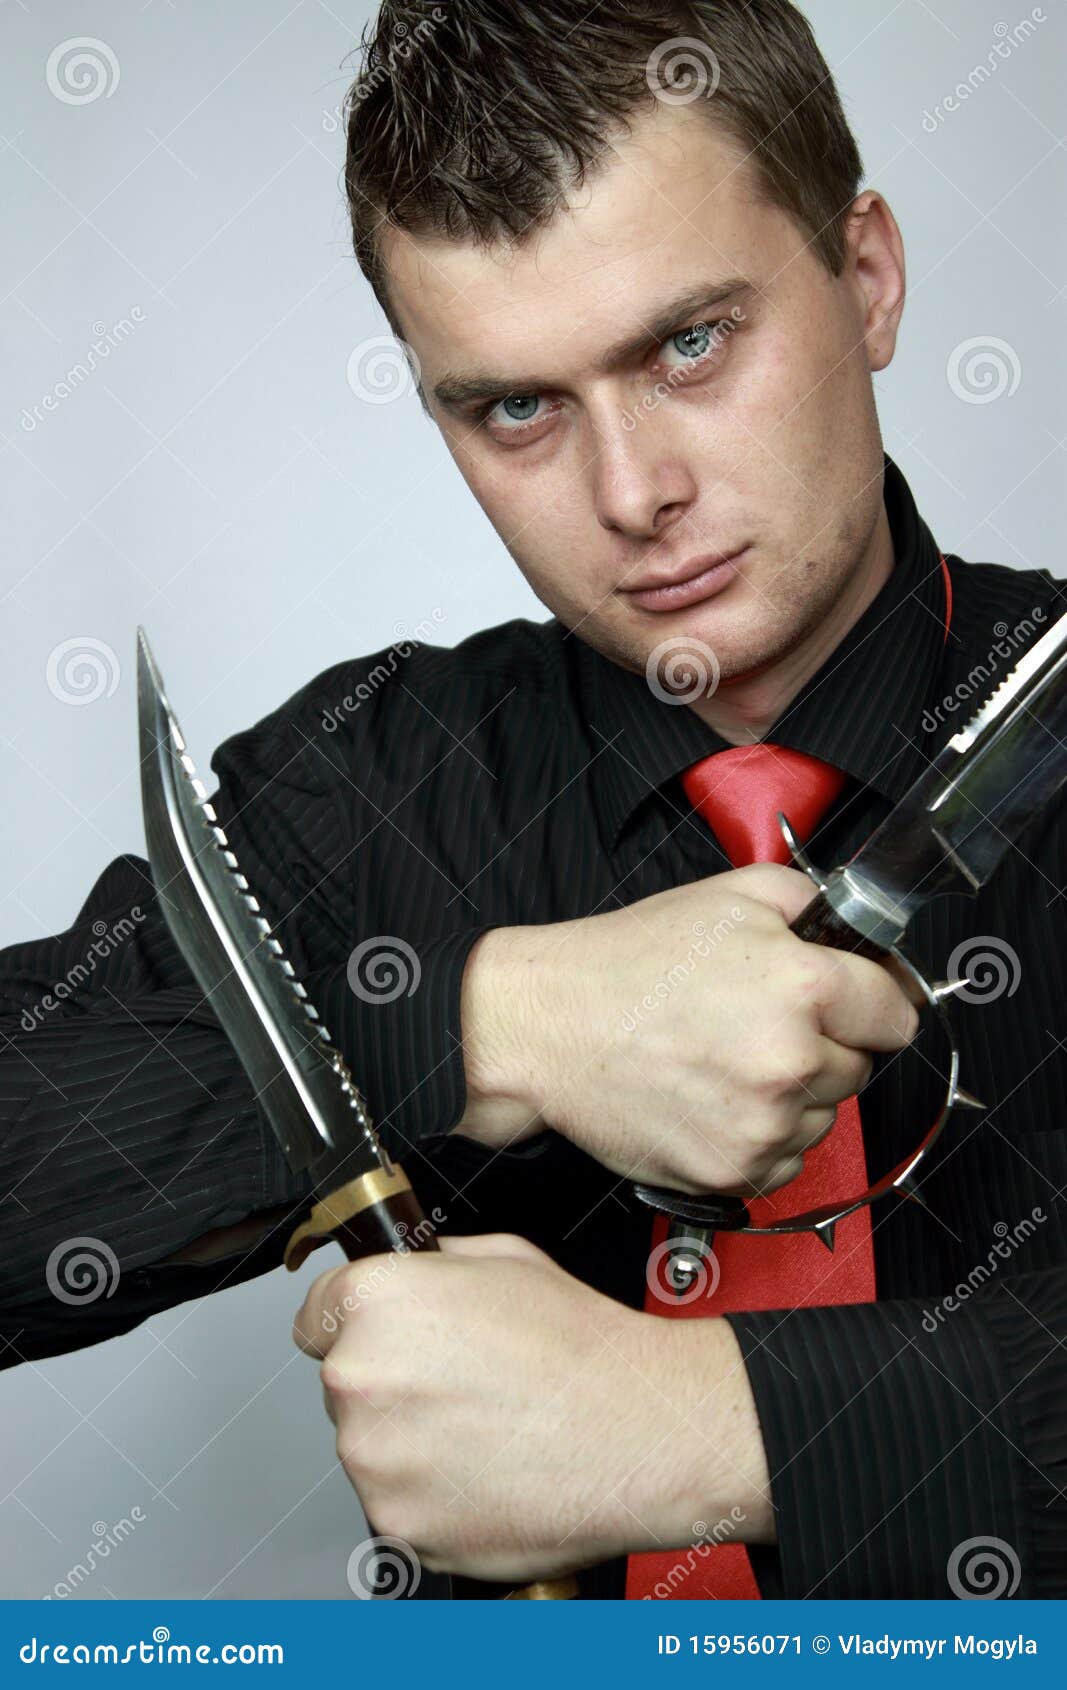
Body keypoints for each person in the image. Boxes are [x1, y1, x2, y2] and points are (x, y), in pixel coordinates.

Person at [2, 1, 1064, 1599]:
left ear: (867, 276)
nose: (634, 493)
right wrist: (493, 1024)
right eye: (516, 408)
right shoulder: (373, 785)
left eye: (690, 342)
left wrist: (714, 1426)